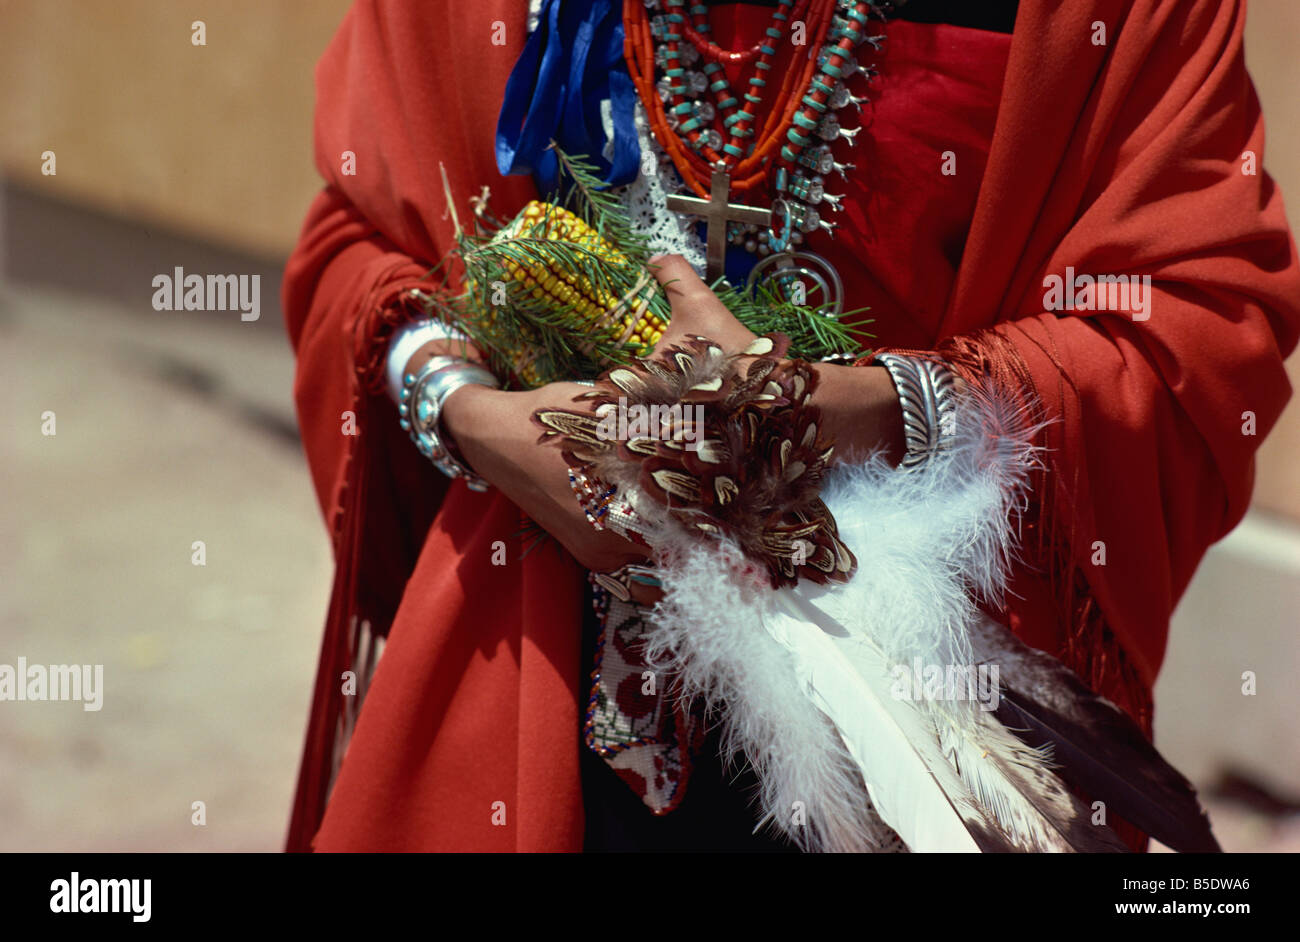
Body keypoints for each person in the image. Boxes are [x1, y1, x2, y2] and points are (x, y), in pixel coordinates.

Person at [282, 0, 1300, 851]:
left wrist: (878, 410)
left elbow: (1192, 328)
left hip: (909, 703)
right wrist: (471, 416)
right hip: (527, 673)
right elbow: (364, 229)